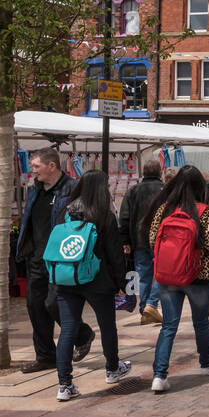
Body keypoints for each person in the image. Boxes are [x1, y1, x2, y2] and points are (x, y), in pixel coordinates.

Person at [146, 165, 209, 393]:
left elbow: (153, 241)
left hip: (168, 277)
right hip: (197, 276)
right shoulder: (205, 211)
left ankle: (159, 376)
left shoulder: (164, 209)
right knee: (201, 322)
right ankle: (205, 363)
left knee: (168, 326)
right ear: (199, 186)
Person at [53, 171, 131, 401]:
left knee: (67, 329)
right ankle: (112, 369)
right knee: (107, 326)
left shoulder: (64, 213)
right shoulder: (103, 215)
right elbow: (115, 254)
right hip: (98, 280)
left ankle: (64, 385)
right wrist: (121, 282)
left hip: (67, 279)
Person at [15, 148, 94, 374]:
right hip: (37, 257)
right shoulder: (35, 190)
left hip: (60, 258)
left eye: (37, 166)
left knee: (52, 303)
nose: (33, 171)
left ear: (52, 166)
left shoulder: (72, 189)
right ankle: (45, 356)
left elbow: (81, 220)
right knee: (35, 307)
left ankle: (83, 334)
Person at [119, 158, 165, 325]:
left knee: (144, 276)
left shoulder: (133, 191)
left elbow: (123, 217)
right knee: (164, 273)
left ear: (143, 173)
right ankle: (151, 304)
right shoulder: (165, 190)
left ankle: (145, 308)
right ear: (160, 172)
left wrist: (125, 240)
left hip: (138, 241)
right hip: (161, 240)